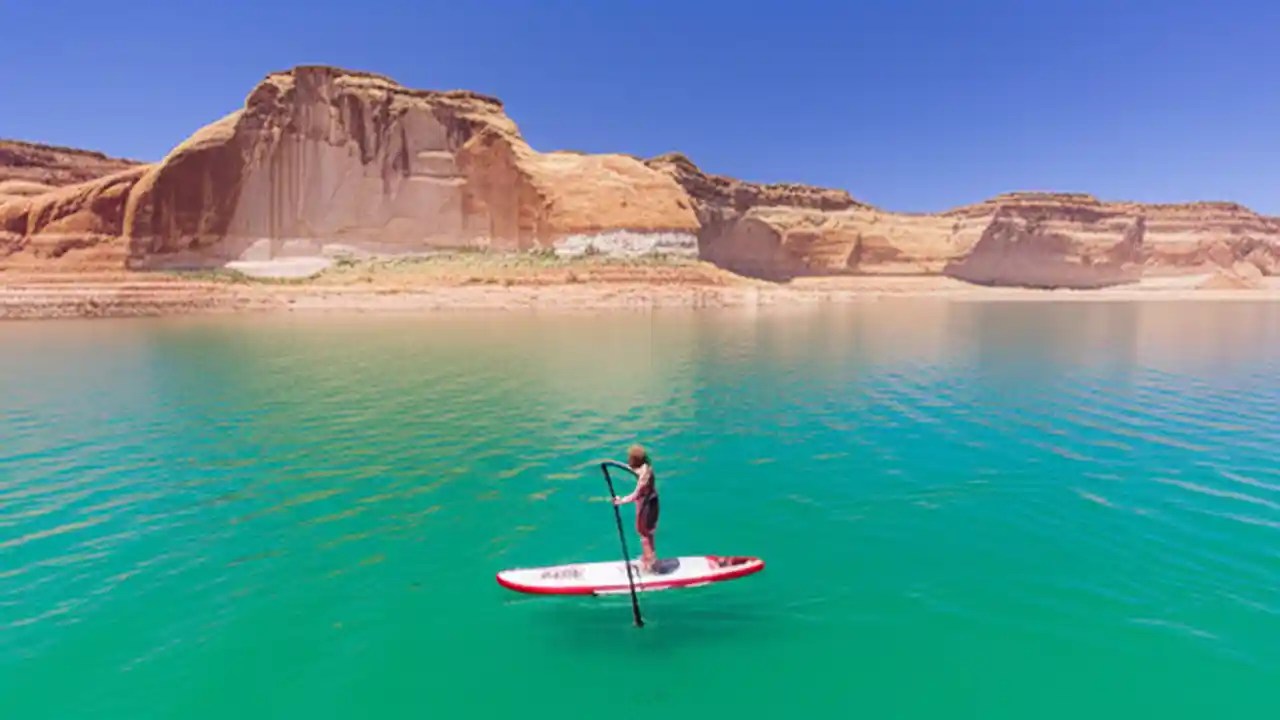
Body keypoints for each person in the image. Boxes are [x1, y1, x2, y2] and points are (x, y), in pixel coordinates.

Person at [613, 444, 659, 573]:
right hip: (651, 502)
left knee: (644, 534)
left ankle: (650, 565)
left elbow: (637, 494)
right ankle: (650, 559)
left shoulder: (644, 476)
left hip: (646, 505)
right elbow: (635, 471)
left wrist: (621, 501)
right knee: (648, 533)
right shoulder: (646, 467)